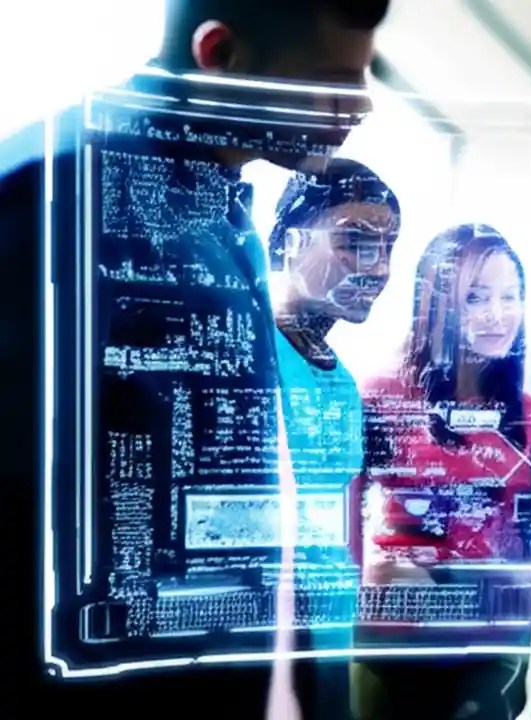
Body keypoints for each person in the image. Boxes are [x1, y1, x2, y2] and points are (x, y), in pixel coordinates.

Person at [0, 0, 389, 709]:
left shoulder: (216, 199)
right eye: (333, 79)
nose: (360, 103)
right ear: (220, 54)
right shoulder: (64, 188)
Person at [350, 224, 531, 720]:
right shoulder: (382, 396)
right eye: (477, 297)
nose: (498, 315)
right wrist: (373, 577)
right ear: (438, 303)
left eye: (510, 296)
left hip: (490, 637)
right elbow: (340, 517)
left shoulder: (530, 415)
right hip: (395, 633)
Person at [266, 159, 399, 716]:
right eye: (354, 241)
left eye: (389, 246)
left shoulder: (342, 383)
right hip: (268, 646)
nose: (378, 266)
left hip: (333, 646)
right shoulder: (253, 357)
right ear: (292, 241)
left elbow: (343, 533)